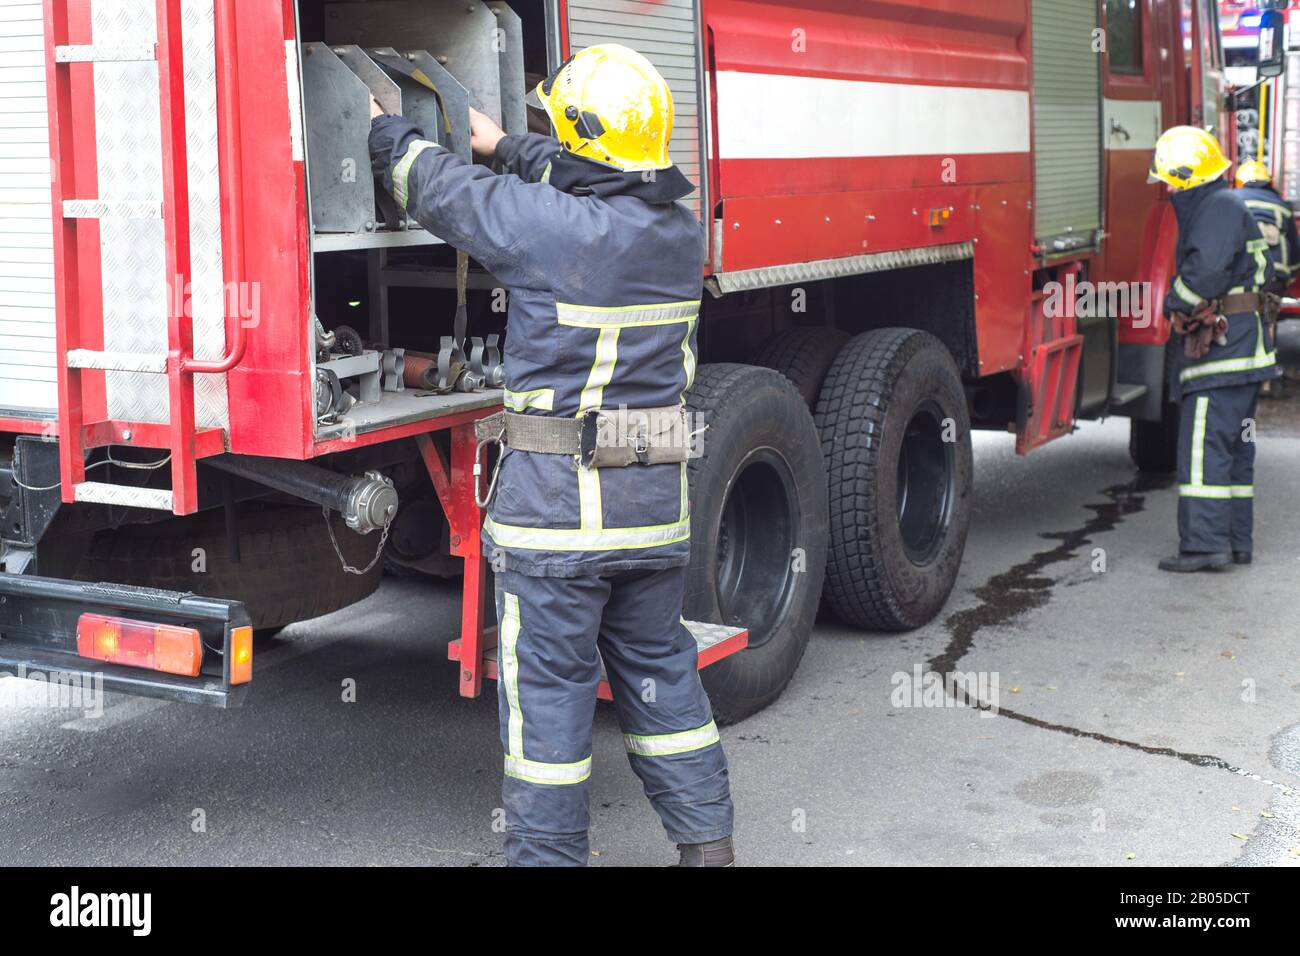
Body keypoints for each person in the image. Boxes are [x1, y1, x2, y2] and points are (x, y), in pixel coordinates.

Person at [368, 44, 734, 866]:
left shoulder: (547, 230)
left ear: (585, 142)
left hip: (559, 527)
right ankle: (709, 848)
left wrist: (386, 130)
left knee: (550, 719)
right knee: (665, 684)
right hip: (652, 519)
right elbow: (587, 174)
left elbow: (438, 190)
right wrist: (508, 144)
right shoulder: (678, 230)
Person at [1149, 127, 1282, 572]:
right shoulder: (1225, 205)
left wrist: (1173, 302)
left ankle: (1205, 546)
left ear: (1188, 179)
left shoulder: (1217, 208)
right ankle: (1236, 542)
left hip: (1224, 359)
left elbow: (1204, 275)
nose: (1166, 190)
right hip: (1242, 355)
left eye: (1170, 180)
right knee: (1235, 453)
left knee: (1204, 451)